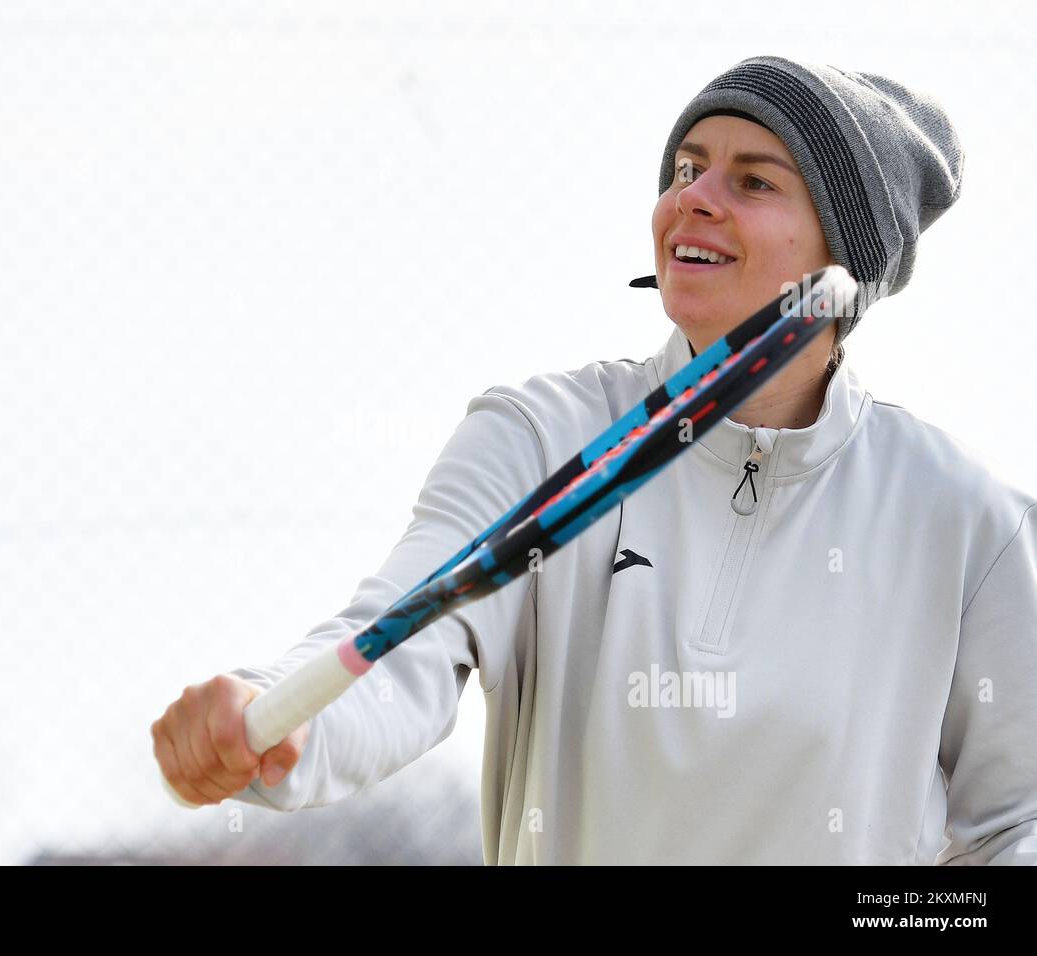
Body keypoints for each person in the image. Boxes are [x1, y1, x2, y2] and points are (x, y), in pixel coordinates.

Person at [151, 55, 1037, 864]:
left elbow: (1015, 825)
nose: (693, 196)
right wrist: (275, 720)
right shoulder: (538, 434)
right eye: (688, 168)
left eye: (754, 180)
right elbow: (405, 644)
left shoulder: (968, 522)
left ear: (846, 260)